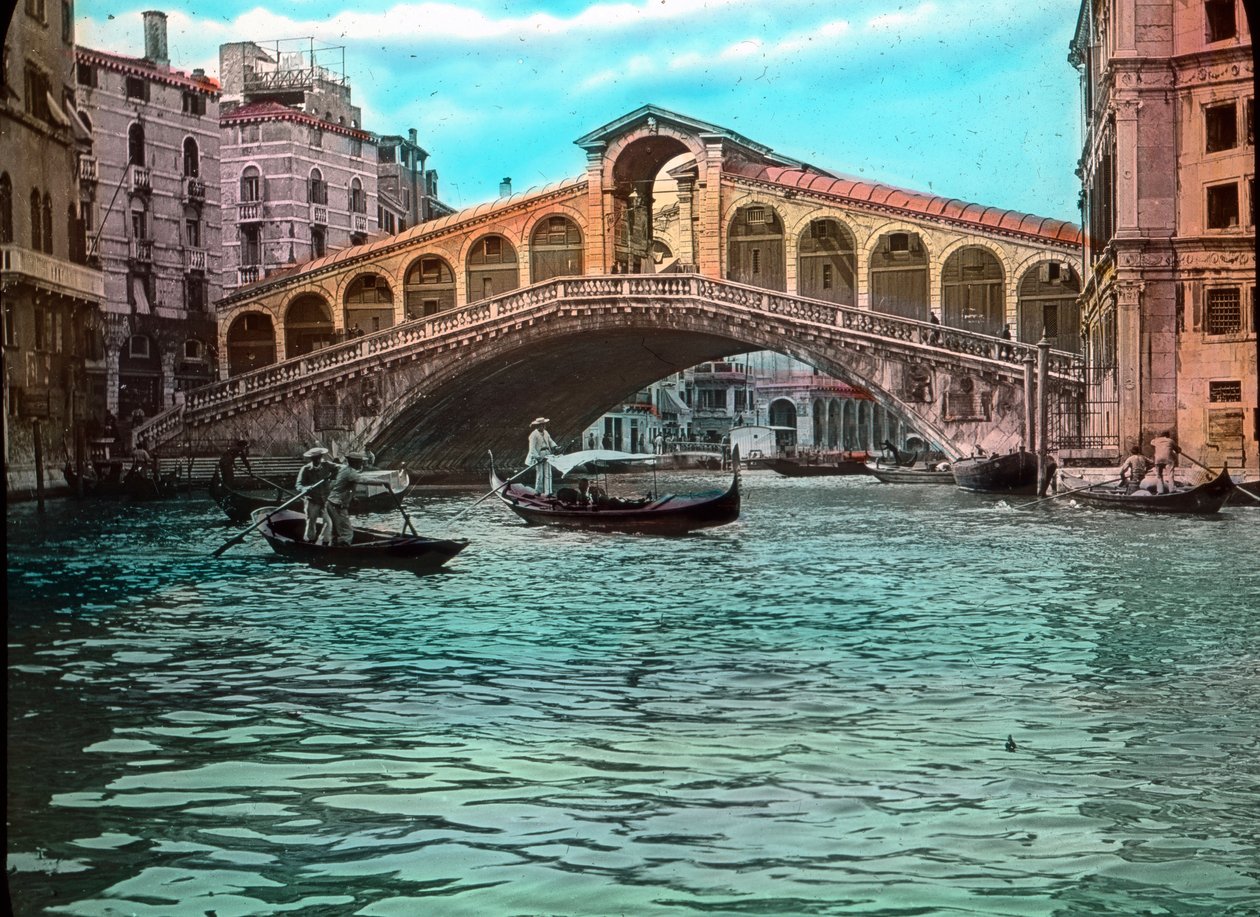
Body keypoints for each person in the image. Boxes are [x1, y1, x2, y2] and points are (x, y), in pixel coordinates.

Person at [326, 452, 370, 546]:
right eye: (360, 462)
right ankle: (343, 552)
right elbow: (364, 480)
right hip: (338, 505)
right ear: (355, 463)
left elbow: (345, 486)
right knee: (347, 533)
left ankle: (333, 548)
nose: (362, 464)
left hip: (331, 503)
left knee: (336, 530)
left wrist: (352, 497)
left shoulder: (343, 469)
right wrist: (384, 482)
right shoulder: (352, 473)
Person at [295, 447, 338, 543]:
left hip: (325, 500)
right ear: (311, 459)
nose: (317, 460)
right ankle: (309, 541)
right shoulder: (305, 469)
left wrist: (334, 474)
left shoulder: (327, 465)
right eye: (314, 458)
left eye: (318, 457)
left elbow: (339, 468)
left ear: (321, 457)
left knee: (328, 522)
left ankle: (325, 542)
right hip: (312, 500)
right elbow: (298, 485)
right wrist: (305, 488)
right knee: (311, 522)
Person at [526, 417, 559, 495]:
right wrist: (538, 457)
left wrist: (555, 446)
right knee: (540, 474)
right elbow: (532, 448)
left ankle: (548, 491)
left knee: (548, 473)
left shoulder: (546, 432)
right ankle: (538, 491)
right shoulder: (533, 435)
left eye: (544, 425)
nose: (544, 426)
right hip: (539, 454)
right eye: (542, 425)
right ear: (538, 426)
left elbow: (550, 441)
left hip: (547, 453)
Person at [1151, 430, 1179, 494]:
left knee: (1159, 475)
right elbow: (1177, 450)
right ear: (1167, 435)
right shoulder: (1170, 440)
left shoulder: (1156, 440)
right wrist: (1177, 450)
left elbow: (1151, 442)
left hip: (1158, 460)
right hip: (1168, 460)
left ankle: (1160, 491)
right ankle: (1172, 490)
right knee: (1170, 474)